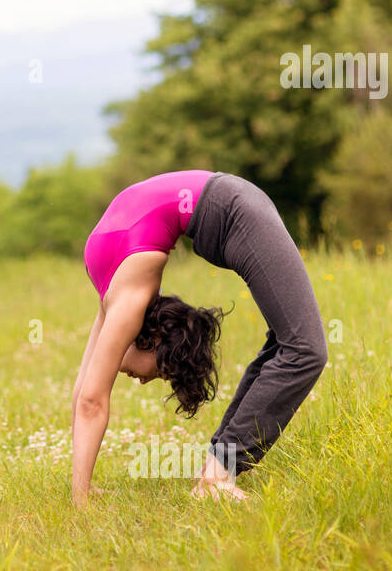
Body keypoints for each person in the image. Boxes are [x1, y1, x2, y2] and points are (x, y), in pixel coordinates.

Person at [70, 170, 327, 504]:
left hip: (234, 209)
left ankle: (216, 475)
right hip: (226, 202)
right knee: (295, 344)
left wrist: (81, 498)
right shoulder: (124, 296)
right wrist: (82, 494)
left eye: (160, 374)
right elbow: (86, 396)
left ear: (156, 338)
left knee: (304, 349)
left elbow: (88, 398)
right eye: (164, 373)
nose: (146, 381)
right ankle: (218, 473)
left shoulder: (127, 297)